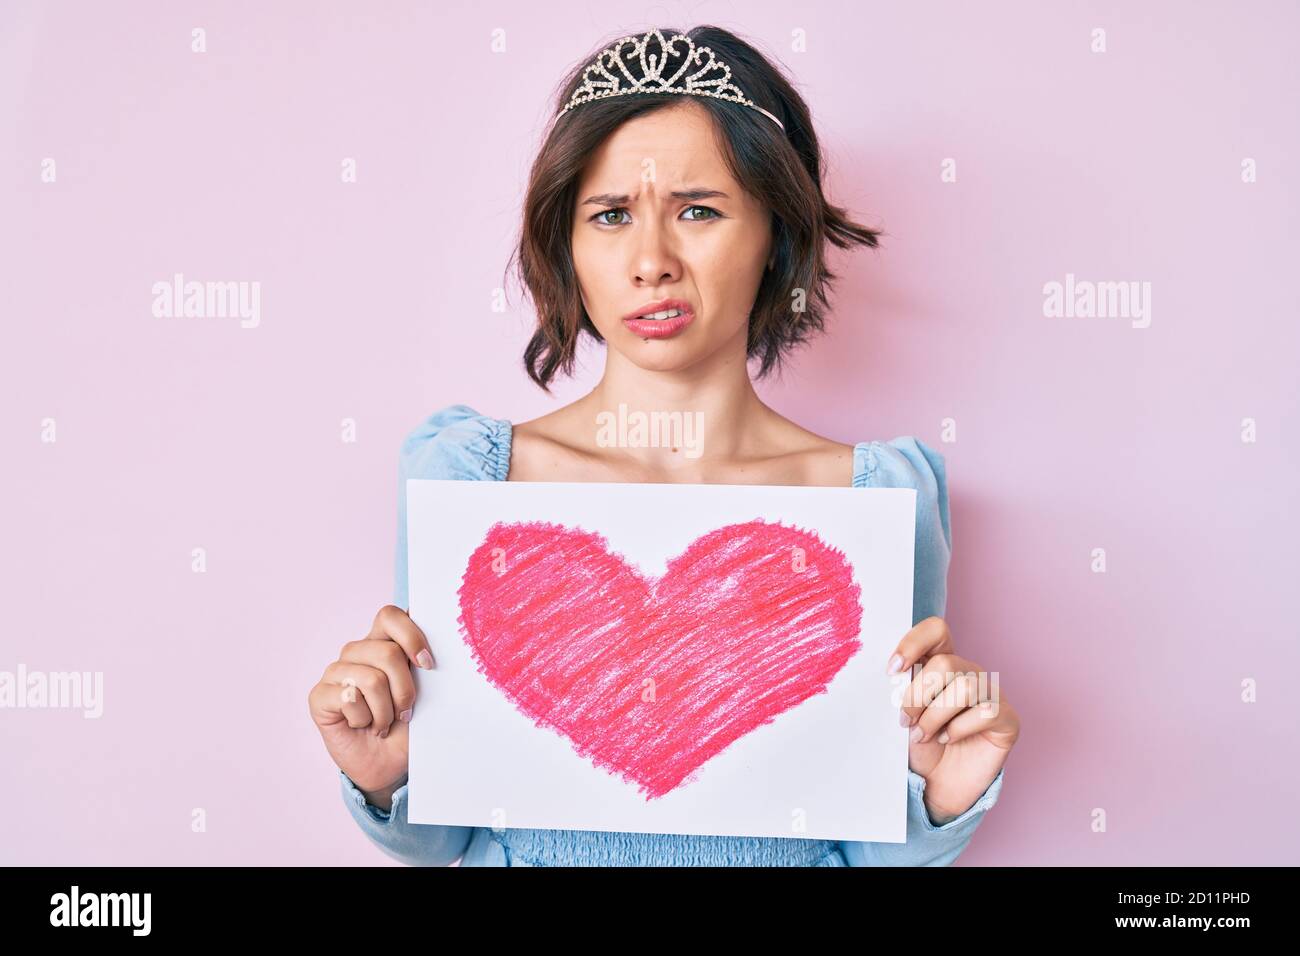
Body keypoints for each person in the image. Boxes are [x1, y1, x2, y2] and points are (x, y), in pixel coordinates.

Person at [308, 24, 1019, 866]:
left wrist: (944, 789)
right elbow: (444, 835)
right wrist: (386, 777)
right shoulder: (468, 481)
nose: (651, 261)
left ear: (773, 235)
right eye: (610, 215)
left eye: (698, 210)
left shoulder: (878, 501)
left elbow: (867, 845)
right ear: (567, 246)